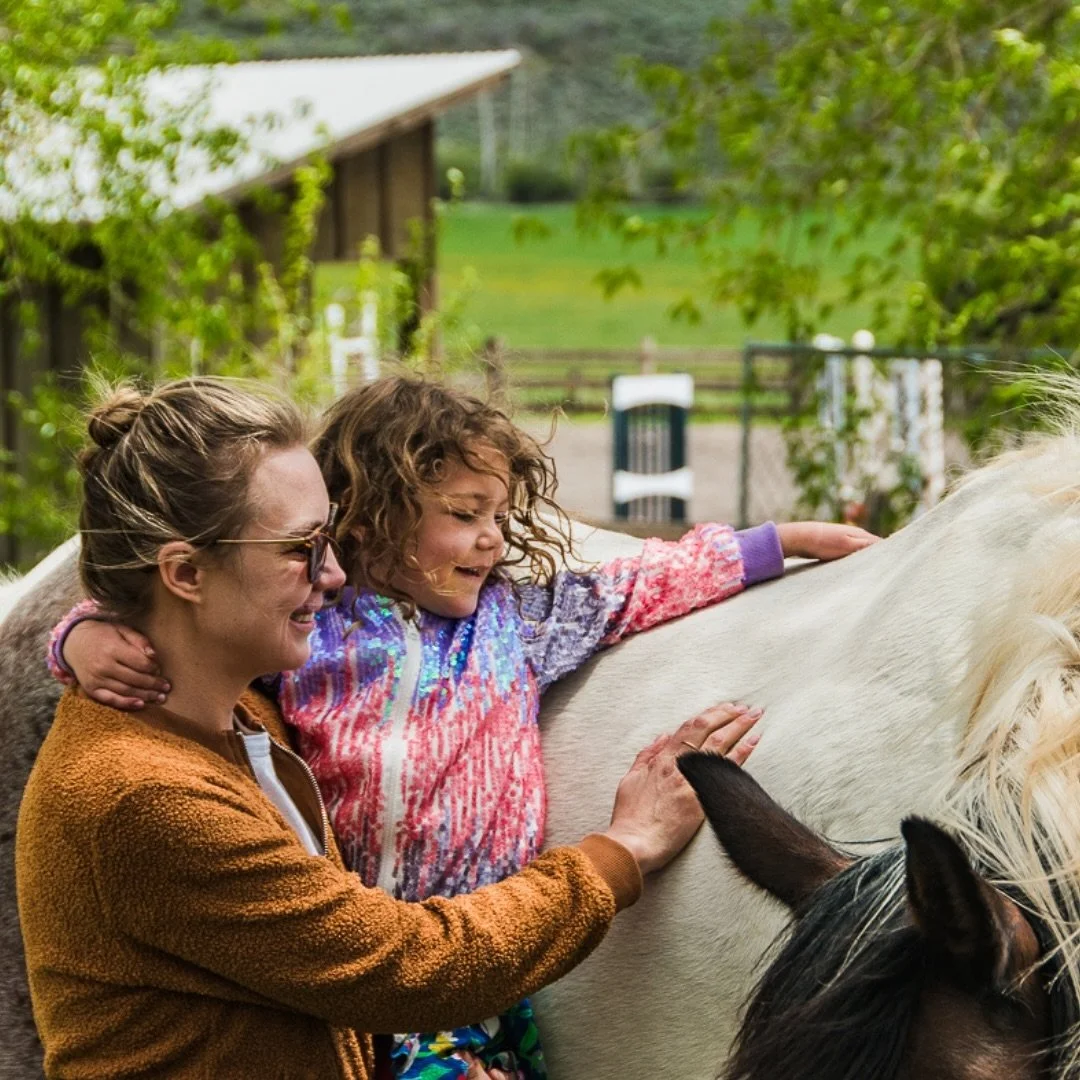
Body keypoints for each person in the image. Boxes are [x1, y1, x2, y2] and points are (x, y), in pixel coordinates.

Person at [47, 377, 874, 1079]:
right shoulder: (267, 684)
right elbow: (405, 969)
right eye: (303, 549)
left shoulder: (500, 629)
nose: (326, 573)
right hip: (413, 973)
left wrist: (782, 543)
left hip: (494, 958)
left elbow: (641, 581)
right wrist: (78, 633)